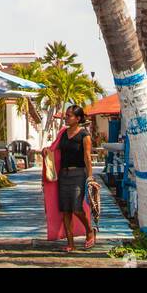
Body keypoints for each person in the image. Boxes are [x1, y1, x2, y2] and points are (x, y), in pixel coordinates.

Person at [42, 104, 96, 252]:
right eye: (66, 115)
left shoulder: (84, 135)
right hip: (63, 176)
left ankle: (89, 230)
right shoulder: (63, 134)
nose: (66, 117)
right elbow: (54, 149)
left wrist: (90, 177)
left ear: (78, 118)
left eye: (69, 115)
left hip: (78, 174)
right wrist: (46, 150)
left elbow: (87, 157)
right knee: (65, 210)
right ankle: (70, 243)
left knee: (77, 209)